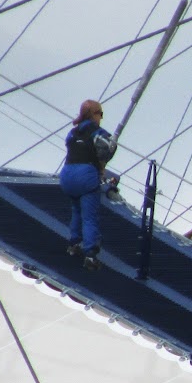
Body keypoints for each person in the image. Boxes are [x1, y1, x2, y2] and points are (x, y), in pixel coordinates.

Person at [58, 100, 115, 270]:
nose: (101, 118)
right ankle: (90, 254)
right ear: (94, 114)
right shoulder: (97, 132)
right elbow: (109, 147)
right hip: (86, 176)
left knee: (76, 210)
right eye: (101, 114)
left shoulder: (72, 133)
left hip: (67, 175)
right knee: (89, 217)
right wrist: (102, 163)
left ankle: (74, 243)